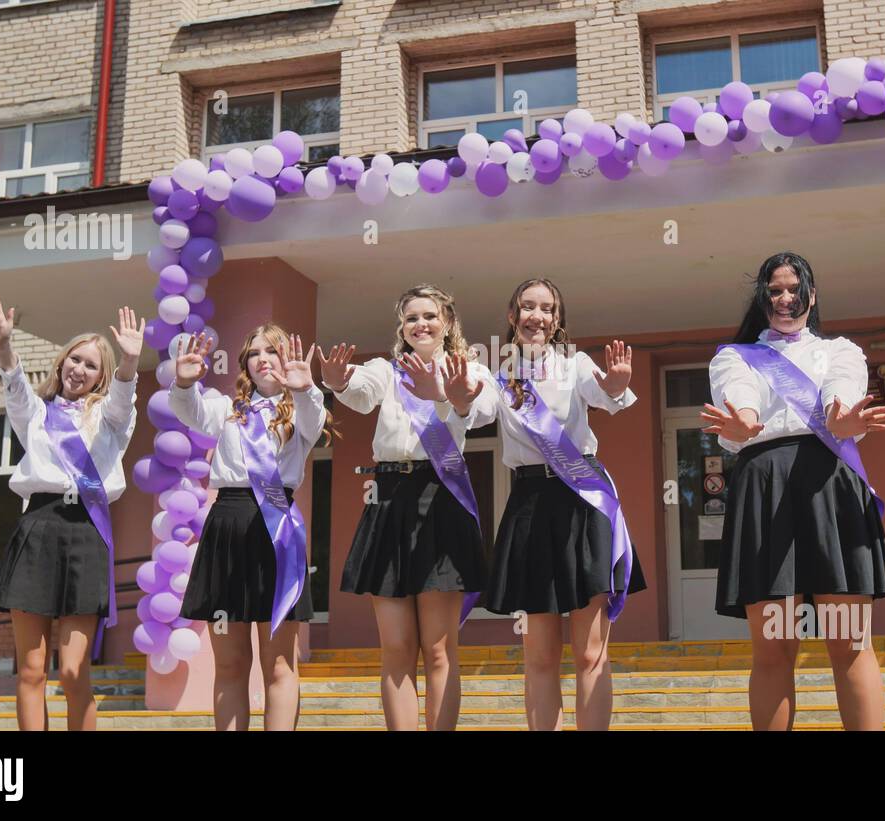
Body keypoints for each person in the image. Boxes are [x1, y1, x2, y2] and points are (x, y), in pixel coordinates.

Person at [703, 251, 885, 730]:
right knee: (774, 647)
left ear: (812, 295)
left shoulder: (842, 350)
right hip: (764, 492)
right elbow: (740, 398)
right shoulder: (734, 356)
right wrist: (744, 421)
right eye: (774, 291)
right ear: (763, 299)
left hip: (831, 486)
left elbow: (840, 391)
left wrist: (842, 417)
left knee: (848, 640)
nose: (785, 298)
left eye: (794, 289)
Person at [479, 277, 646, 731]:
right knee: (540, 654)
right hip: (531, 505)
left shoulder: (576, 365)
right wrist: (455, 396)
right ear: (513, 315)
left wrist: (615, 384)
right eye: (528, 307)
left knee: (590, 651)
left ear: (557, 321)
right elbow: (470, 411)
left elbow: (606, 397)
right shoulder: (495, 373)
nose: (537, 316)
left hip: (583, 500)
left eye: (547, 309)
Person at [322, 284, 492, 731]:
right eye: (412, 317)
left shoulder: (469, 368)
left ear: (448, 322)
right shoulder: (386, 369)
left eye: (430, 316)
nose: (422, 324)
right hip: (389, 500)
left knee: (438, 649)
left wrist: (447, 394)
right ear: (401, 326)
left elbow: (482, 409)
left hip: (441, 498)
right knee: (396, 647)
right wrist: (338, 380)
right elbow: (359, 393)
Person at [0, 294, 142, 731]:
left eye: (91, 365)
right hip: (37, 530)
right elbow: (14, 389)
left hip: (86, 535)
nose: (79, 370)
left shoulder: (108, 419)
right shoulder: (36, 414)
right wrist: (2, 347)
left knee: (73, 671)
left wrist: (128, 361)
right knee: (31, 672)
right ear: (61, 362)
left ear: (100, 377)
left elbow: (124, 398)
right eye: (75, 359)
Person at [170, 326, 331, 731]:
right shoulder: (226, 408)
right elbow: (190, 411)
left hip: (277, 531)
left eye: (273, 351)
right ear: (245, 364)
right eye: (254, 352)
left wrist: (306, 386)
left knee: (278, 662)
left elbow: (315, 416)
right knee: (230, 661)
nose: (263, 358)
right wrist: (186, 382)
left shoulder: (301, 410)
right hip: (228, 526)